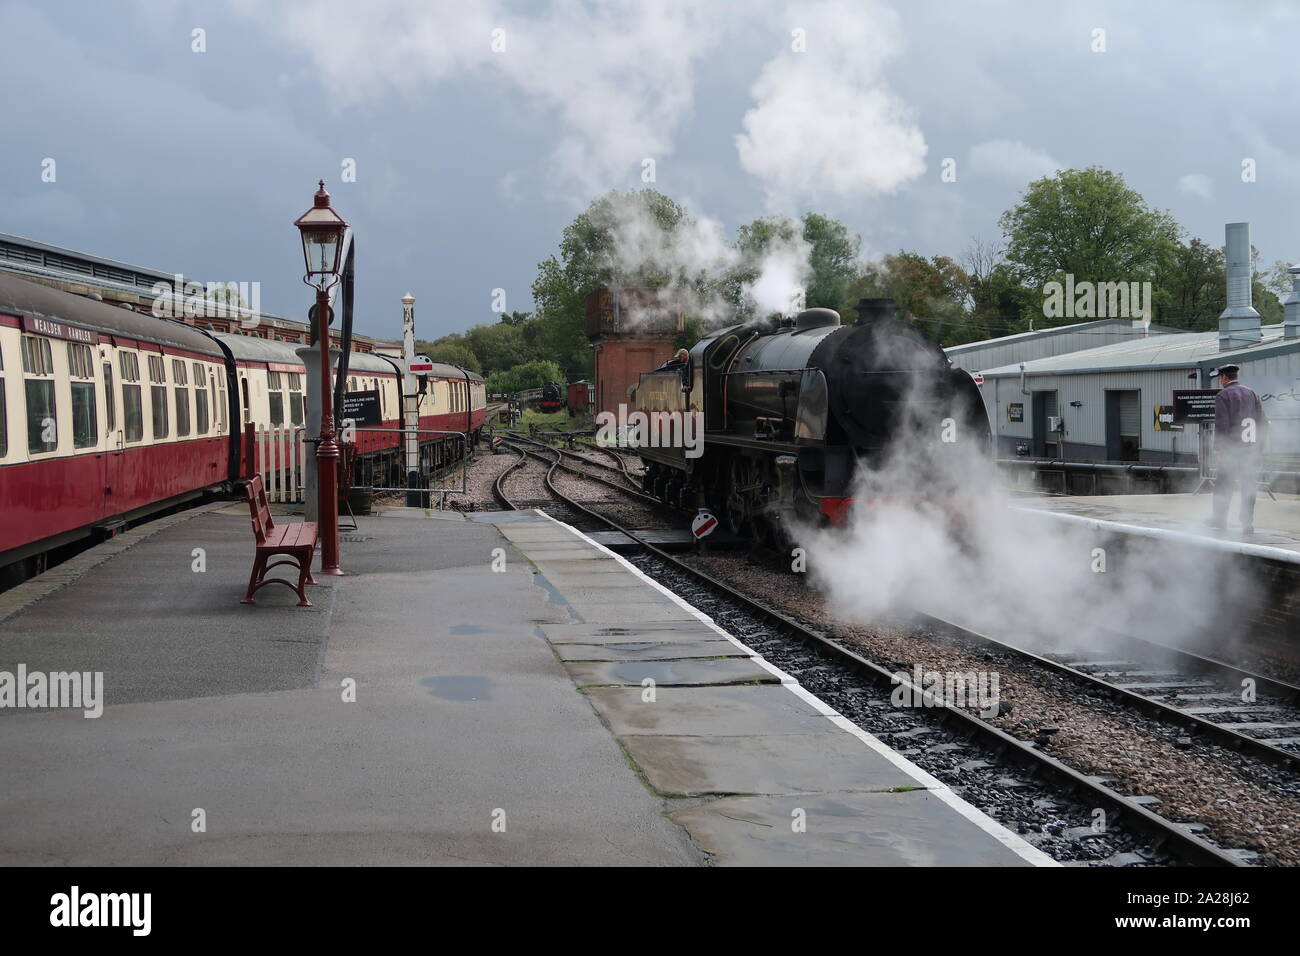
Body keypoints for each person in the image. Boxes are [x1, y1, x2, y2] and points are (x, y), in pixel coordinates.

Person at [1211, 364, 1267, 534]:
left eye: (1219, 378)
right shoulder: (1252, 394)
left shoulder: (1223, 395)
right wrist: (1259, 448)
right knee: (1248, 487)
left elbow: (1222, 426)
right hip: (1251, 451)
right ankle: (1247, 524)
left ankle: (1220, 521)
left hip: (1232, 451)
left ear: (1223, 377)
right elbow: (1263, 423)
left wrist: (1220, 451)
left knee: (1223, 486)